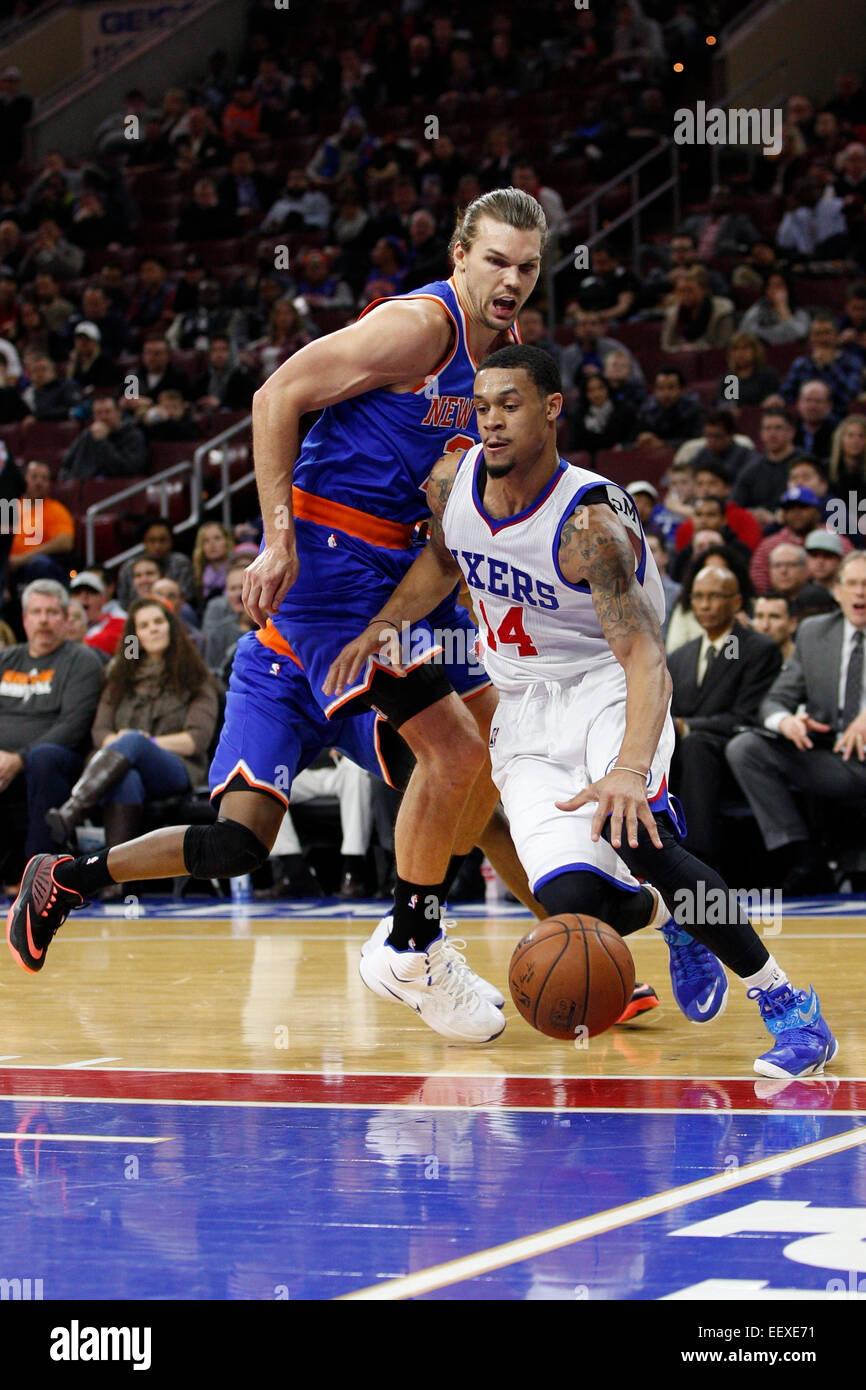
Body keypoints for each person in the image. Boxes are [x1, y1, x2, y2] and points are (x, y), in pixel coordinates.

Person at [8, 190, 550, 1045]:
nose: (511, 279)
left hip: (368, 591)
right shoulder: (421, 328)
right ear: (459, 256)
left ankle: (65, 878)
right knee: (457, 754)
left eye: (526, 266)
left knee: (257, 841)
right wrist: (275, 540)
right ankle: (413, 944)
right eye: (496, 260)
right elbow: (275, 394)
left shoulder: (509, 361)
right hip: (325, 576)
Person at [326, 344, 837, 1077]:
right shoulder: (452, 484)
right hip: (524, 708)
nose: (493, 423)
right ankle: (676, 921)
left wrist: (629, 769)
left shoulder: (588, 529)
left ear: (553, 409)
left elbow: (645, 660)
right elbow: (445, 560)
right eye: (483, 406)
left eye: (512, 405)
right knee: (574, 904)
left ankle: (790, 1009)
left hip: (609, 688)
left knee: (641, 841)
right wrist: (385, 623)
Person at [45, 600, 219, 881]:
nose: (153, 630)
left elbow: (194, 741)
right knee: (127, 780)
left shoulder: (197, 678)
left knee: (136, 742)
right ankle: (114, 882)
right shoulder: (119, 678)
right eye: (144, 626)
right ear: (133, 636)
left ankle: (73, 810)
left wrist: (142, 741)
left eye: (159, 623)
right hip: (122, 769)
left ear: (172, 629)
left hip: (177, 768)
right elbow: (100, 733)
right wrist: (126, 741)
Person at [727, 551, 866, 895]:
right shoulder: (814, 633)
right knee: (746, 748)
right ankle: (804, 856)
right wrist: (787, 721)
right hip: (834, 757)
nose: (860, 593)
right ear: (837, 591)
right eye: (852, 584)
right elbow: (774, 700)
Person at [667, 565, 782, 867]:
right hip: (682, 752)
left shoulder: (758, 649)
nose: (704, 605)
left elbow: (747, 716)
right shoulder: (680, 655)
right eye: (699, 597)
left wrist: (686, 726)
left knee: (697, 745)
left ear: (737, 602)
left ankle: (699, 858)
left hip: (732, 752)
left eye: (715, 596)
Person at [0, 580, 102, 881]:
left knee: (43, 758)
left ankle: (38, 874)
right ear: (24, 619)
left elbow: (73, 725)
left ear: (66, 618)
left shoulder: (82, 660)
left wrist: (18, 757)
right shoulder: (6, 660)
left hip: (58, 762)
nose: (43, 620)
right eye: (36, 612)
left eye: (52, 612)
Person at [6, 459, 74, 590]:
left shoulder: (56, 509)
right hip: (9, 567)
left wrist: (23, 558)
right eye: (34, 477)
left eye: (44, 478)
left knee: (39, 563)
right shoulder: (9, 506)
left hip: (38, 567)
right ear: (23, 479)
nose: (39, 482)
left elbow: (66, 542)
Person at [57, 396, 147, 482]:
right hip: (86, 487)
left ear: (118, 413)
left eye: (107, 412)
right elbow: (66, 465)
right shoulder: (87, 435)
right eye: (99, 413)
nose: (103, 417)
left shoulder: (133, 436)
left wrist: (102, 442)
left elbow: (128, 471)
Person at [115, 519, 194, 608]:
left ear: (171, 541)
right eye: (152, 541)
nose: (157, 546)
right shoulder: (129, 567)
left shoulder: (180, 563)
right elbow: (123, 601)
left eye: (162, 540)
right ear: (144, 542)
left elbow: (186, 596)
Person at [69, 570, 125, 657]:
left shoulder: (119, 621)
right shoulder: (64, 623)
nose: (84, 596)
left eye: (91, 592)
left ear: (103, 598)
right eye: (77, 593)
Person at [753, 590, 798, 663]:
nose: (765, 626)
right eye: (759, 616)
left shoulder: (807, 664)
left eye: (774, 617)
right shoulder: (744, 663)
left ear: (792, 624)